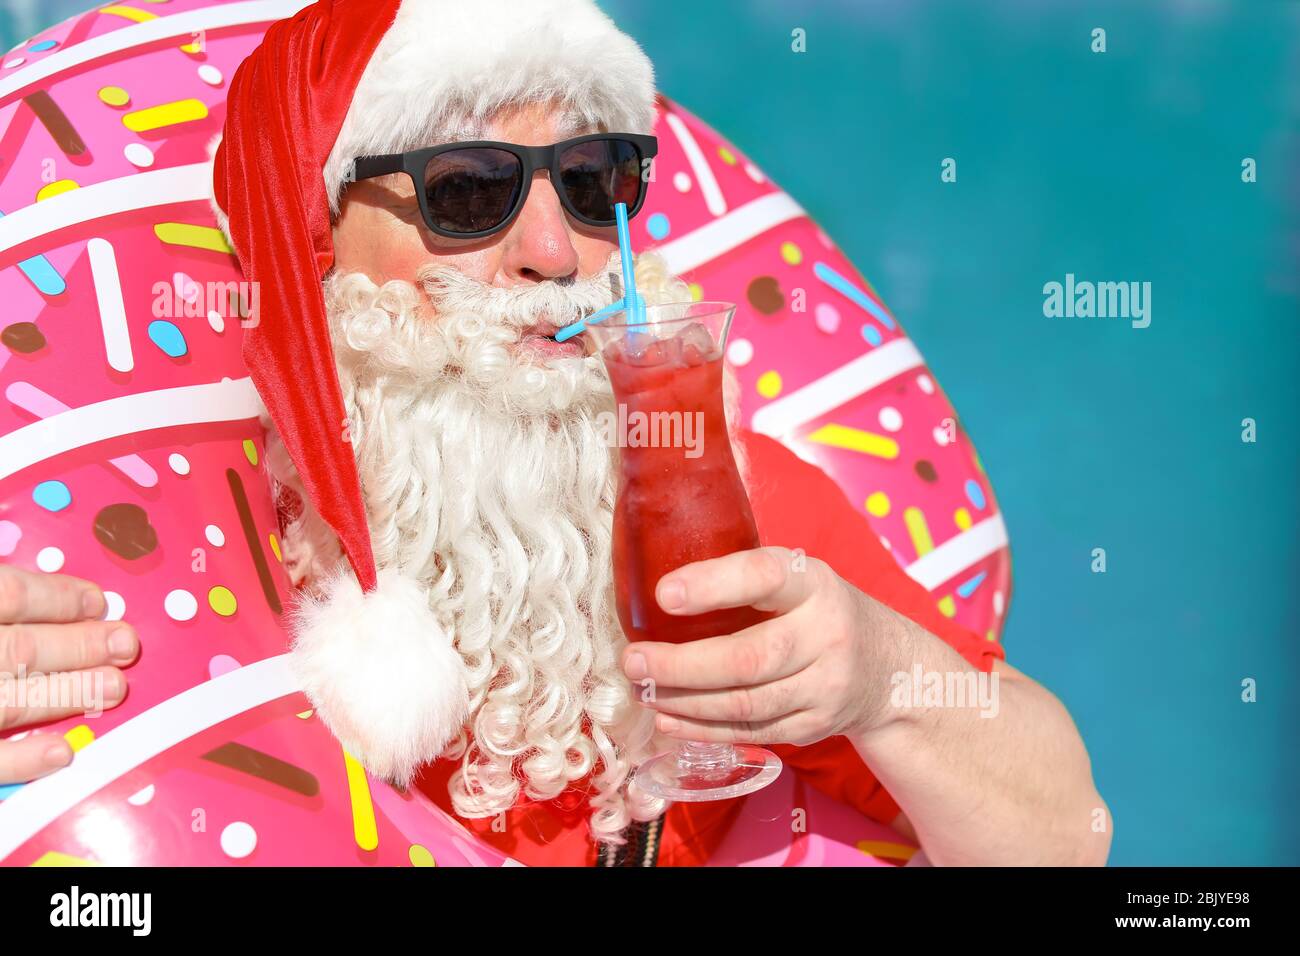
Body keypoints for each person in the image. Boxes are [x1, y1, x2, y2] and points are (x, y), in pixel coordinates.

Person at [0, 0, 1109, 866]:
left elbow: (1067, 837)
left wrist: (881, 675)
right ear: (318, 235)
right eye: (468, 191)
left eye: (590, 182)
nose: (557, 250)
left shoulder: (717, 498)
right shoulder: (196, 513)